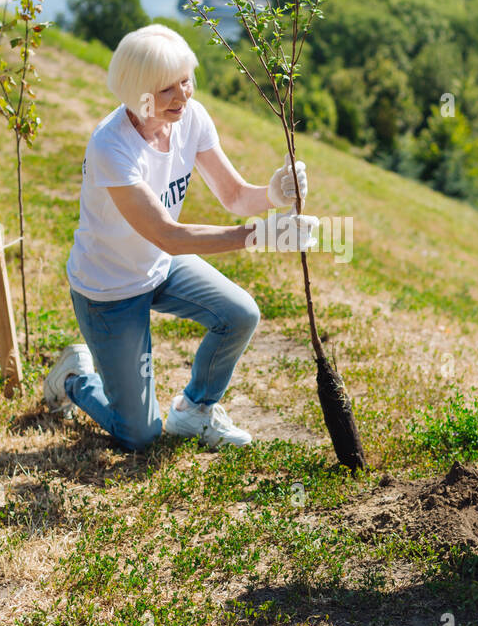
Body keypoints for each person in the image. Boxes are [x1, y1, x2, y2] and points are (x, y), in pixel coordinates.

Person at [44, 24, 319, 452]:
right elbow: (169, 235)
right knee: (139, 434)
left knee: (240, 314)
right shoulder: (110, 147)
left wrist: (272, 193)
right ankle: (75, 379)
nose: (183, 95)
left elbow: (232, 196)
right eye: (166, 88)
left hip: (159, 266)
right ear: (136, 92)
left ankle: (194, 411)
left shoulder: (190, 118)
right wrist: (264, 235)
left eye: (186, 80)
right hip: (109, 289)